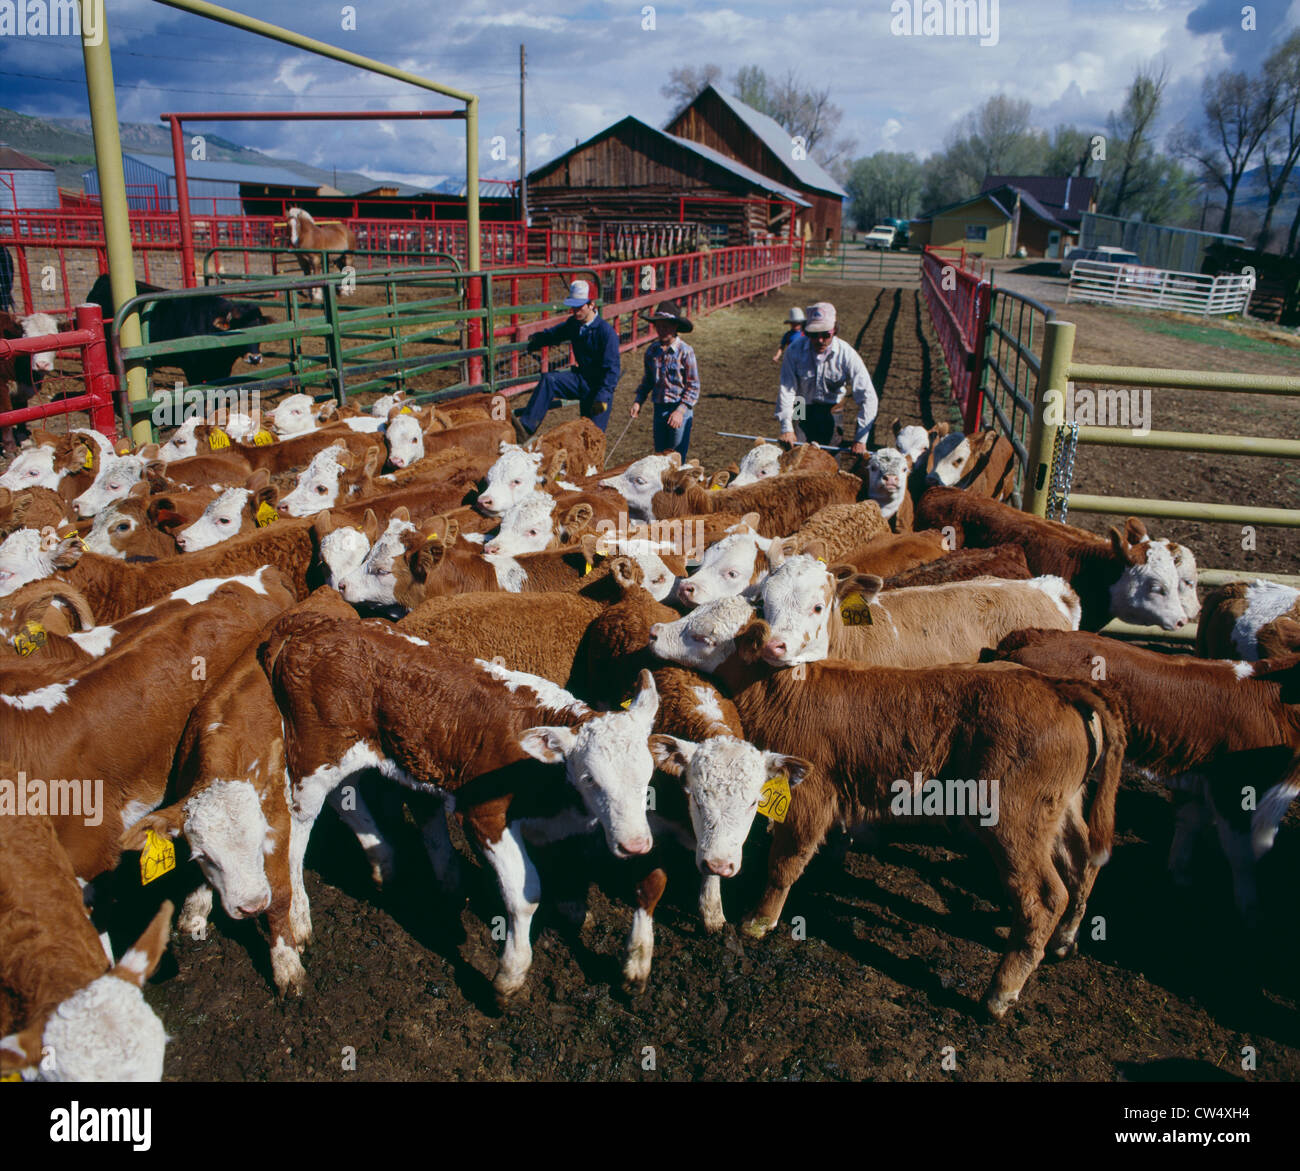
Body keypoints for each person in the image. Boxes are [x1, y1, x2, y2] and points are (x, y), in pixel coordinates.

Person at [514, 279, 620, 440]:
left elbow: (612, 369)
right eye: (573, 306)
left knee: (591, 437)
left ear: (592, 305)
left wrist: (603, 396)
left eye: (579, 306)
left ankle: (593, 462)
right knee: (550, 380)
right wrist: (539, 339)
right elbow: (556, 334)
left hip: (599, 388)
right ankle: (526, 427)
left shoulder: (606, 333)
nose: (575, 310)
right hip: (581, 379)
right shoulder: (574, 324)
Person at [776, 301, 877, 455]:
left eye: (825, 335)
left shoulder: (847, 354)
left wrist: (861, 439)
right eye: (814, 335)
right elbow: (787, 389)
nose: (820, 340)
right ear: (806, 332)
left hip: (832, 408)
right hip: (800, 403)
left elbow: (868, 396)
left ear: (835, 330)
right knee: (796, 454)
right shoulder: (794, 351)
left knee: (829, 459)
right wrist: (786, 428)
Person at [629, 300, 698, 459]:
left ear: (675, 327)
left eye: (666, 326)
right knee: (660, 456)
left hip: (679, 407)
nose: (662, 330)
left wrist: (680, 410)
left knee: (675, 456)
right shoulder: (652, 351)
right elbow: (648, 380)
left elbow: (693, 386)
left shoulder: (685, 352)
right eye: (659, 326)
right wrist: (638, 401)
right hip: (659, 408)